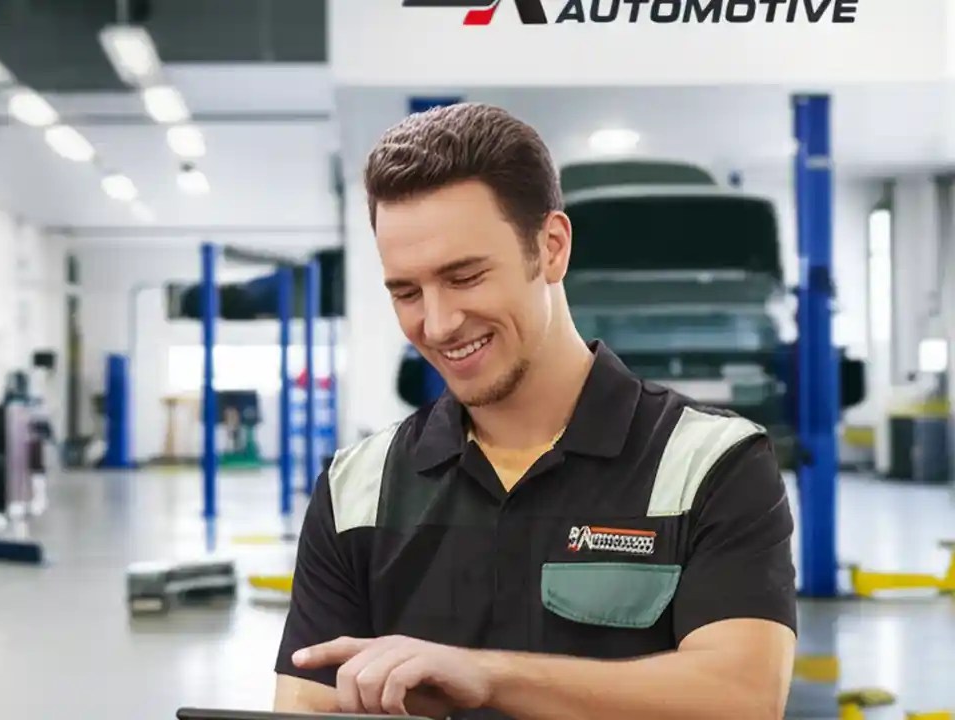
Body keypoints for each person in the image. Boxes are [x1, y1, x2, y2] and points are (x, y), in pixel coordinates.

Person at [272, 103, 797, 719]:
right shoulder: (355, 488)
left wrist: (487, 676)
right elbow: (305, 703)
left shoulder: (710, 466)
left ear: (551, 247)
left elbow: (741, 699)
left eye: (465, 277)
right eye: (407, 292)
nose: (437, 324)